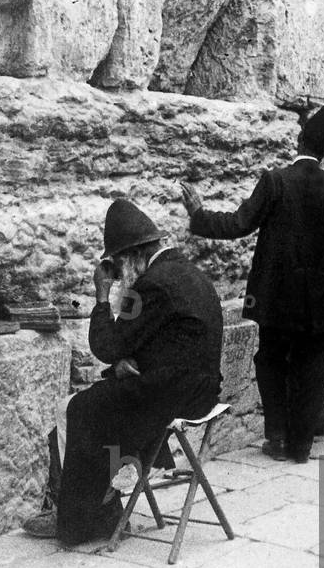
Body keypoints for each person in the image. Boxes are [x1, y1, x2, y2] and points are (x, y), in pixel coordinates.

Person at [23, 198, 224, 545]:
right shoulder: (187, 272)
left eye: (117, 266)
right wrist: (126, 362)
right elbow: (163, 337)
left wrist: (102, 295)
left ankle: (79, 517)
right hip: (198, 390)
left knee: (74, 409)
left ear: (130, 257)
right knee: (99, 403)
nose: (119, 275)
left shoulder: (150, 285)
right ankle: (102, 504)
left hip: (171, 394)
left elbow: (107, 346)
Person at [182, 103, 324, 464]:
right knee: (311, 368)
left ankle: (276, 436)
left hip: (277, 299)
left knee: (271, 362)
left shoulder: (276, 181)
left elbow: (240, 223)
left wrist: (199, 216)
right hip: (318, 301)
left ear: (300, 139)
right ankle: (301, 446)